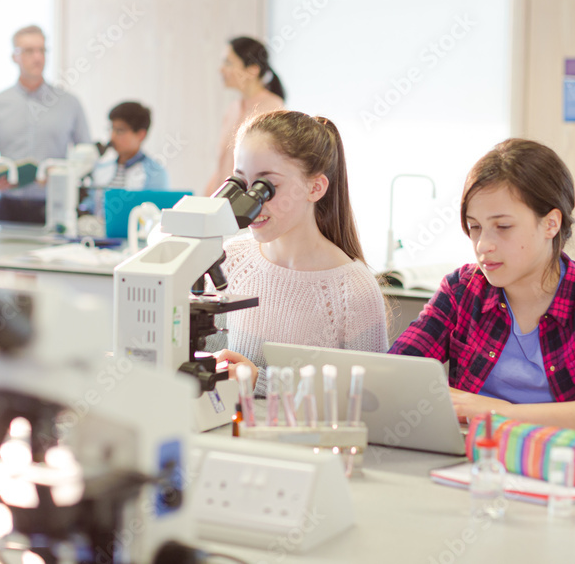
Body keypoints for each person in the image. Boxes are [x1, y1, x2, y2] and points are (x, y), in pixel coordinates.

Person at [388, 139, 575, 442]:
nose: (482, 245)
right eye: (474, 227)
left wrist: (498, 414)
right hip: (476, 463)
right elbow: (395, 376)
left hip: (564, 468)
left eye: (502, 227)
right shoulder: (461, 290)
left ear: (551, 224)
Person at [212, 110, 388, 393]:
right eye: (242, 183)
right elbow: (207, 362)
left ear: (315, 187)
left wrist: (261, 381)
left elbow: (370, 398)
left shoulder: (353, 290)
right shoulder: (229, 260)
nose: (250, 202)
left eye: (267, 186)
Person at [0, 25, 91, 223]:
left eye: (42, 50)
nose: (37, 57)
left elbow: (88, 157)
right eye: (29, 51)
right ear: (14, 57)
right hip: (7, 209)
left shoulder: (69, 103)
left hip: (55, 208)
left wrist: (64, 173)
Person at [203, 36, 285, 196]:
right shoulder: (233, 108)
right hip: (224, 202)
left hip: (249, 206)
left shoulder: (273, 109)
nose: (221, 69)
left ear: (252, 70)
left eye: (228, 63)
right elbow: (225, 164)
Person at [91, 101, 169, 191]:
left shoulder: (154, 173)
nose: (112, 137)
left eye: (119, 130)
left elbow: (157, 204)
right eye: (112, 129)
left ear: (141, 135)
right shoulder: (101, 168)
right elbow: (90, 202)